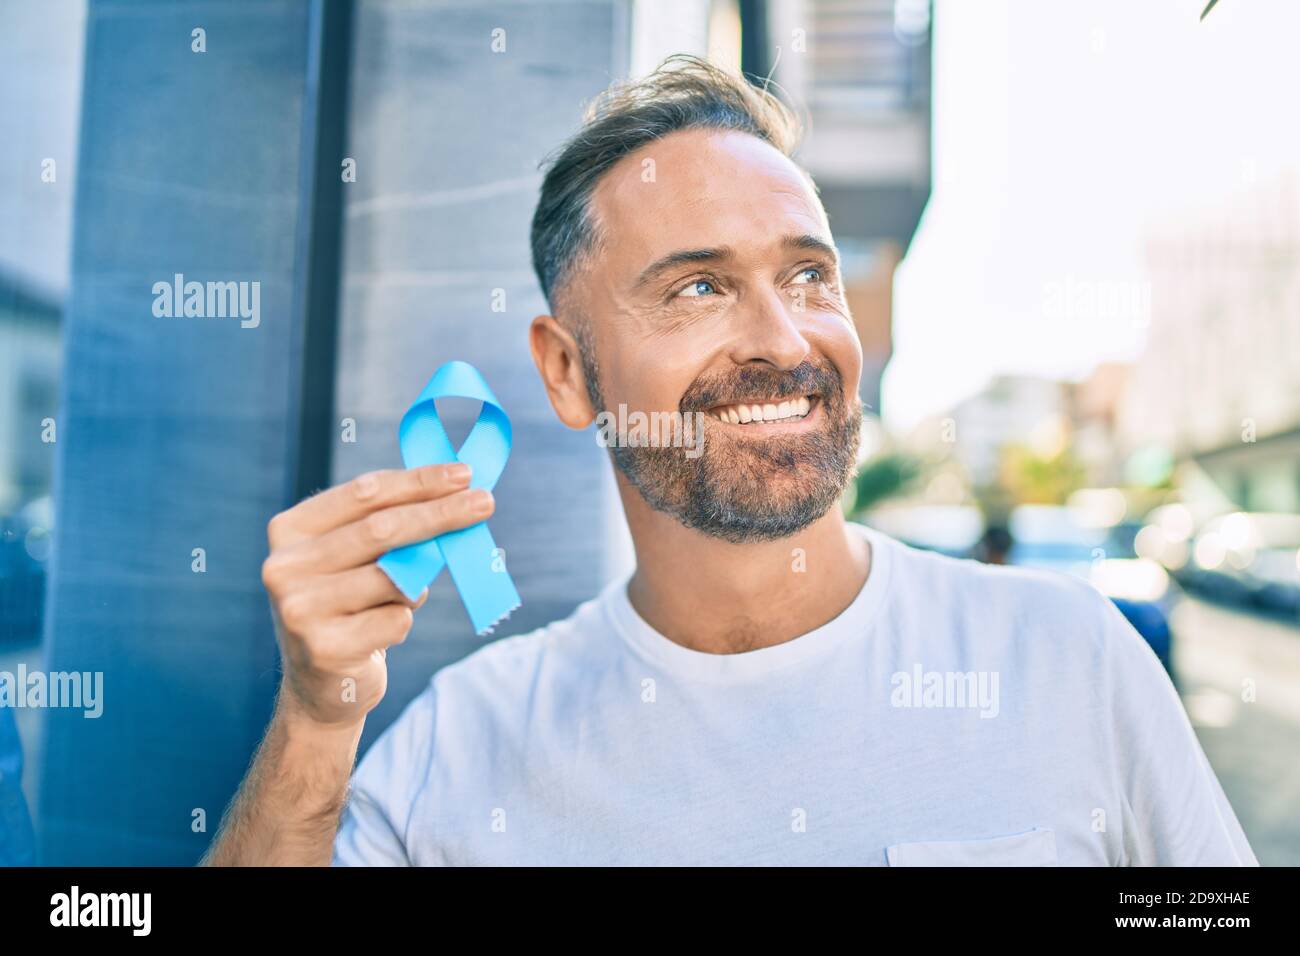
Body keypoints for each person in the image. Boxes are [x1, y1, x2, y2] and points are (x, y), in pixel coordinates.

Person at [203, 56, 1256, 866]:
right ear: (567, 371)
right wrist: (311, 722)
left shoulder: (1071, 660)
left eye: (808, 276)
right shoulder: (455, 753)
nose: (786, 342)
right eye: (697, 287)